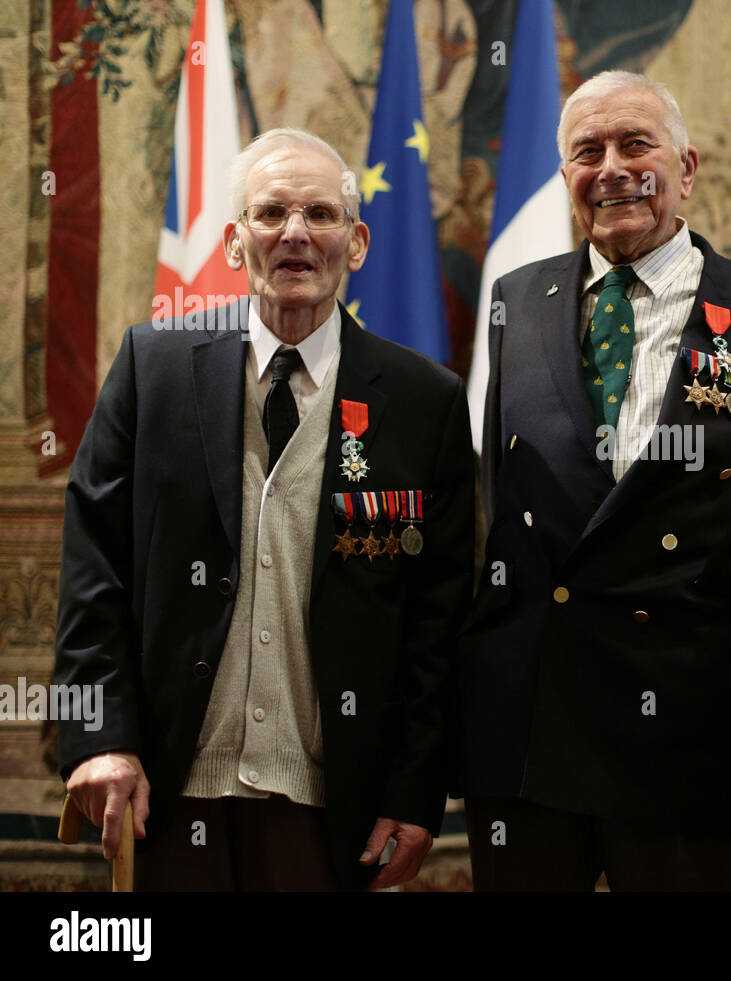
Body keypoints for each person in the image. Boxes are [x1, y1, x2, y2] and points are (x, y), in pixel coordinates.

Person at [54, 128, 474, 891]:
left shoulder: (426, 403)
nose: (296, 234)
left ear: (357, 242)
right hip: (167, 792)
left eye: (320, 214)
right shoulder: (154, 368)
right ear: (235, 240)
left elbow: (438, 625)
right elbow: (93, 571)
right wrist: (96, 736)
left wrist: (416, 793)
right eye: (271, 213)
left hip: (330, 810)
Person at [457, 71, 731, 890]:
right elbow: (502, 500)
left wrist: (712, 656)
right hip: (535, 728)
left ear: (686, 169)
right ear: (566, 178)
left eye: (636, 144)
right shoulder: (517, 300)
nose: (612, 167)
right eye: (588, 151)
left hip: (698, 730)